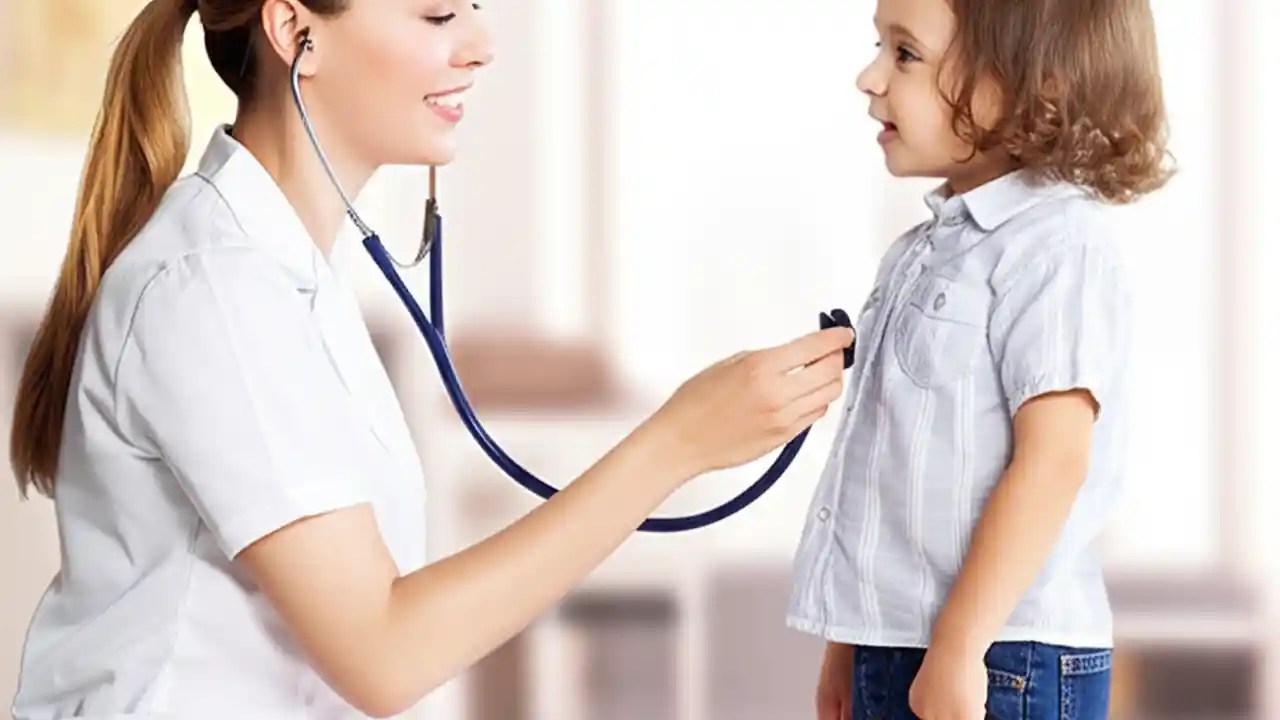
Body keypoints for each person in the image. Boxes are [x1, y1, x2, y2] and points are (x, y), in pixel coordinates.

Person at [6, 1, 854, 717]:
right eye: (439, 14)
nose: (481, 45)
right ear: (296, 31)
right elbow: (384, 652)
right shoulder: (214, 288)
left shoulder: (288, 274)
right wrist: (676, 444)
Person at [789, 0, 1172, 718]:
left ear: (1032, 85)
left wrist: (960, 646)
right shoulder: (922, 252)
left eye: (905, 53)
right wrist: (850, 642)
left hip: (1002, 653)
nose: (869, 77)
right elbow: (887, 470)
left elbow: (1053, 462)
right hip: (907, 644)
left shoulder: (1056, 247)